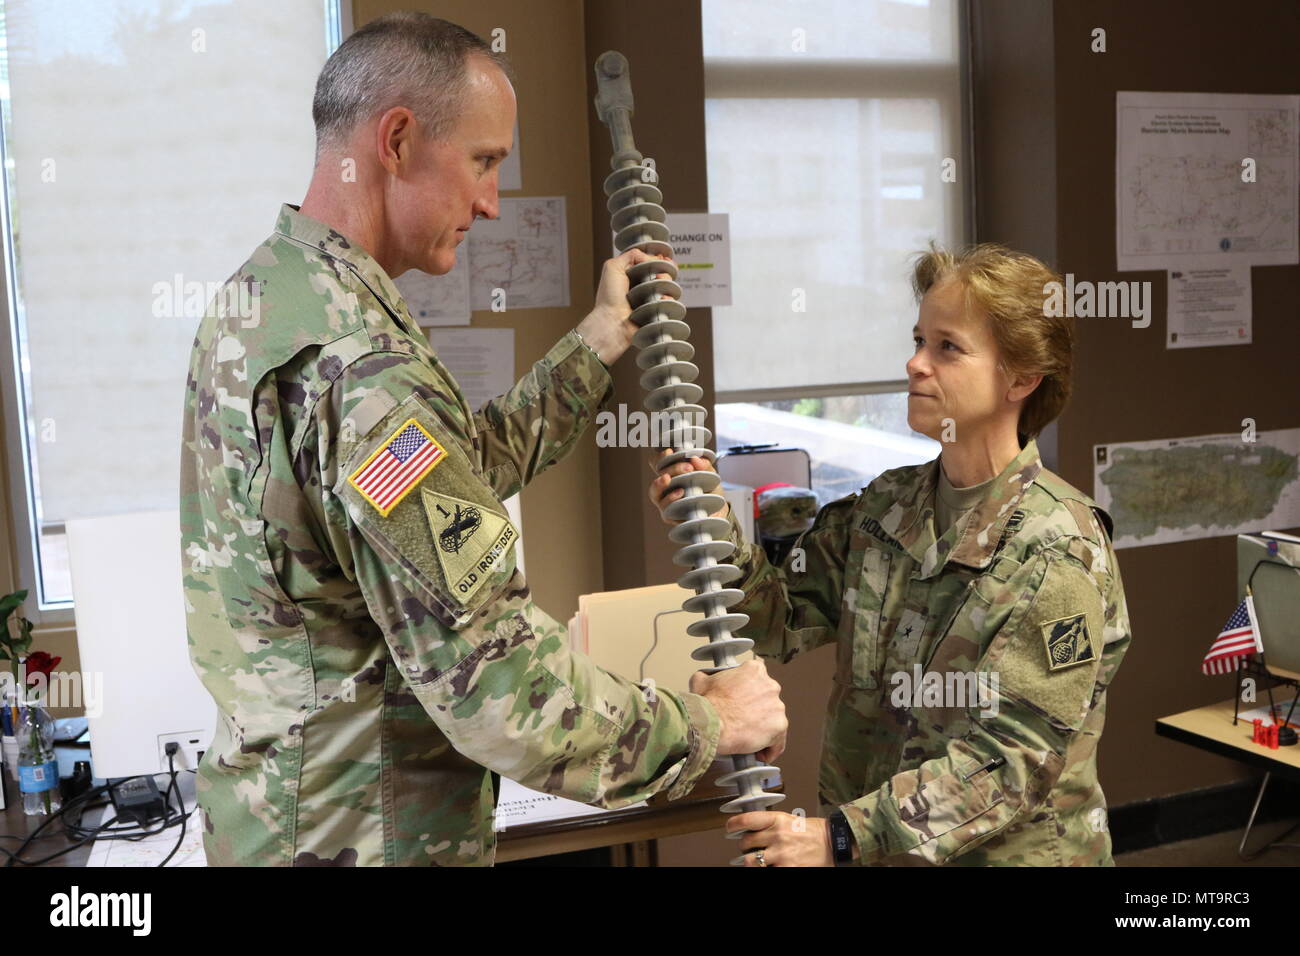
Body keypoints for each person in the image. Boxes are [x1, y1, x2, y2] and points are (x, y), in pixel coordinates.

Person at [180, 12, 786, 867]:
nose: (492, 203)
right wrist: (708, 723)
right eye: (484, 162)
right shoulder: (365, 370)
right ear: (396, 139)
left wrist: (599, 341)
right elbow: (501, 688)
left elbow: (431, 486)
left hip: (276, 822)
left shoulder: (262, 302)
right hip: (365, 839)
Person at [651, 242, 1131, 866]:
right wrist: (715, 530)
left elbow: (1010, 762)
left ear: (1021, 377)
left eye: (947, 348)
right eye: (918, 340)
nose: (914, 364)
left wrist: (840, 838)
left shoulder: (1058, 549)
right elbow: (777, 620)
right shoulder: (886, 507)